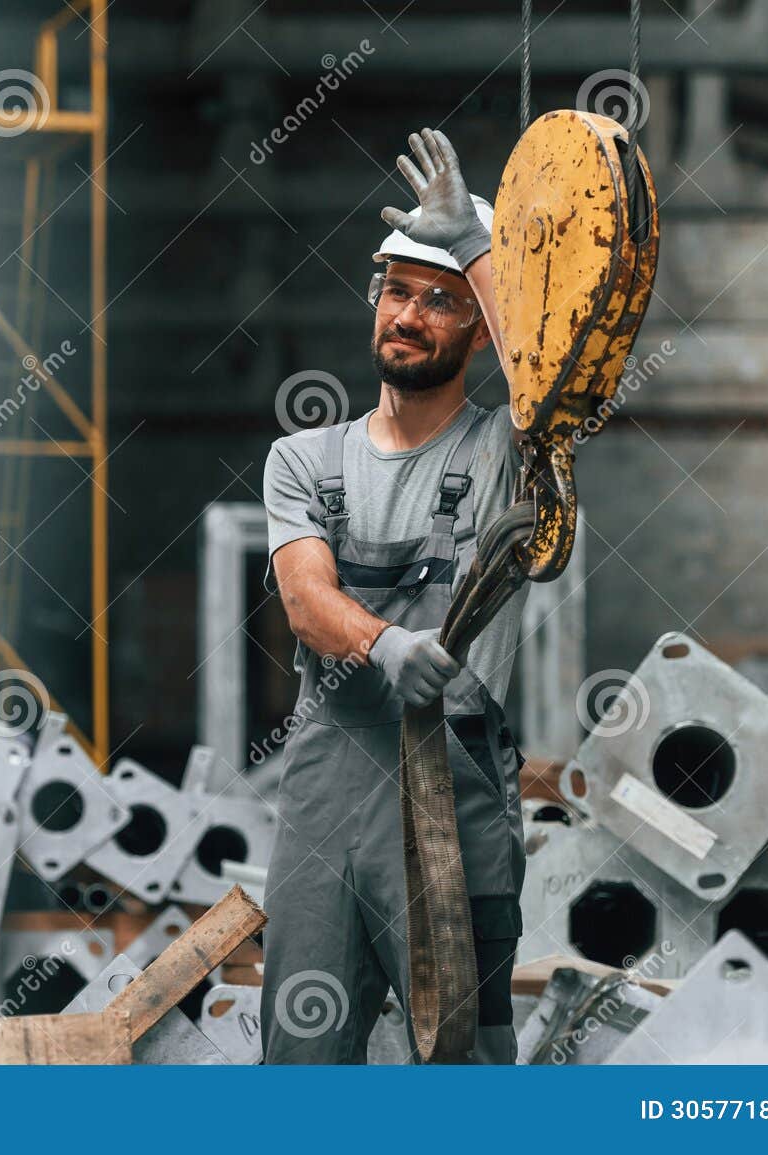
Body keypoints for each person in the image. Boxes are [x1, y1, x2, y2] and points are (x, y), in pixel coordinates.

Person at [260, 129, 528, 1064]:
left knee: (465, 1064)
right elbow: (305, 598)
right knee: (303, 1060)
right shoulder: (302, 459)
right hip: (329, 795)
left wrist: (477, 253)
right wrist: (385, 645)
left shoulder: (505, 452)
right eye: (399, 291)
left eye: (444, 303)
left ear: (478, 331)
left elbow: (555, 386)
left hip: (456, 787)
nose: (411, 316)